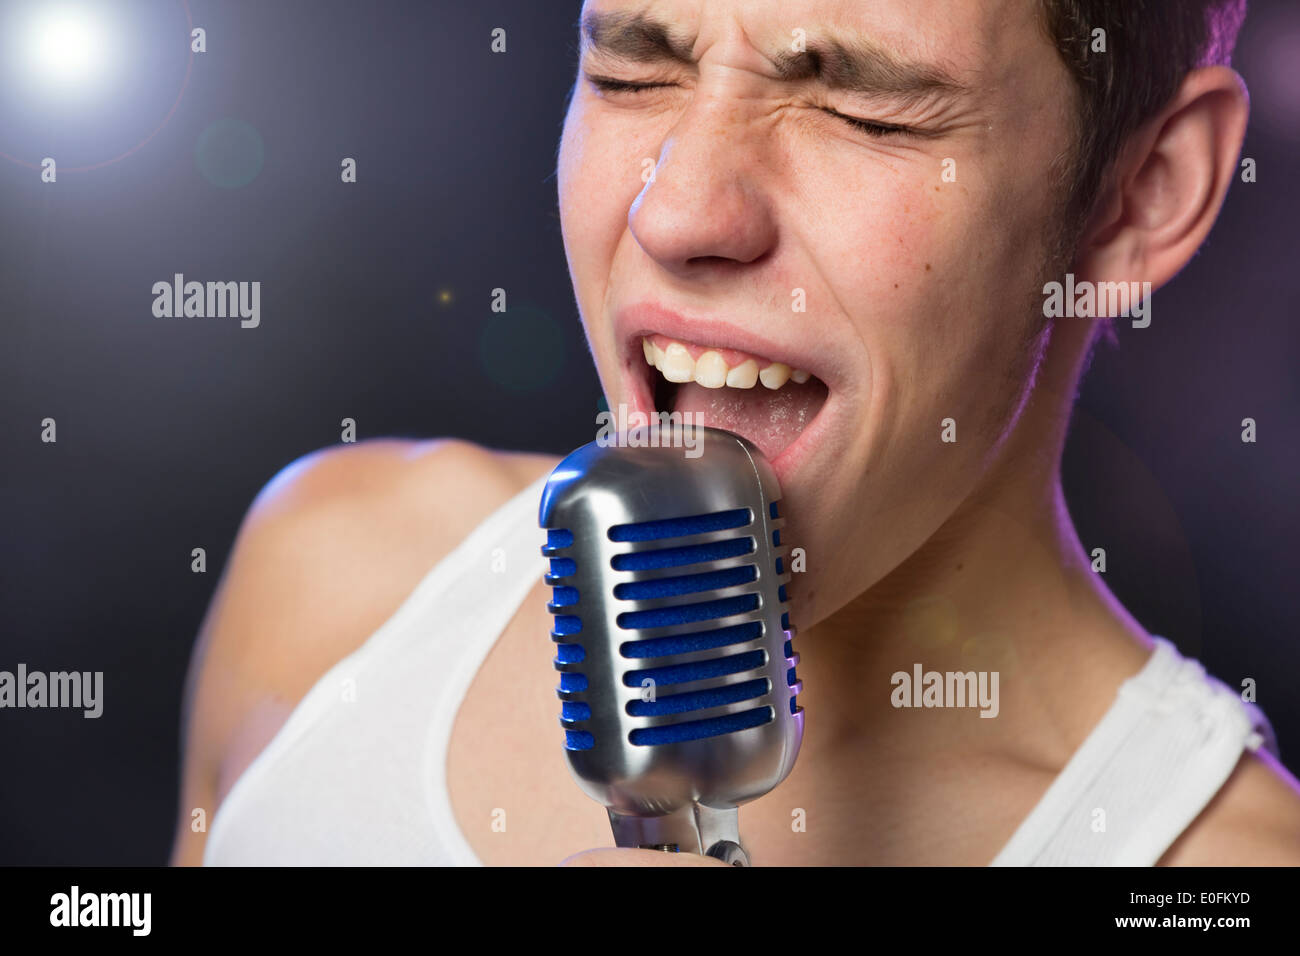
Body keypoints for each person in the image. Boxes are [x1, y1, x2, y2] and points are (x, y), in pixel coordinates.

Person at [171, 0, 1300, 866]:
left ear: (1142, 191)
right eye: (631, 65)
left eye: (860, 106)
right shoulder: (332, 574)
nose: (675, 210)